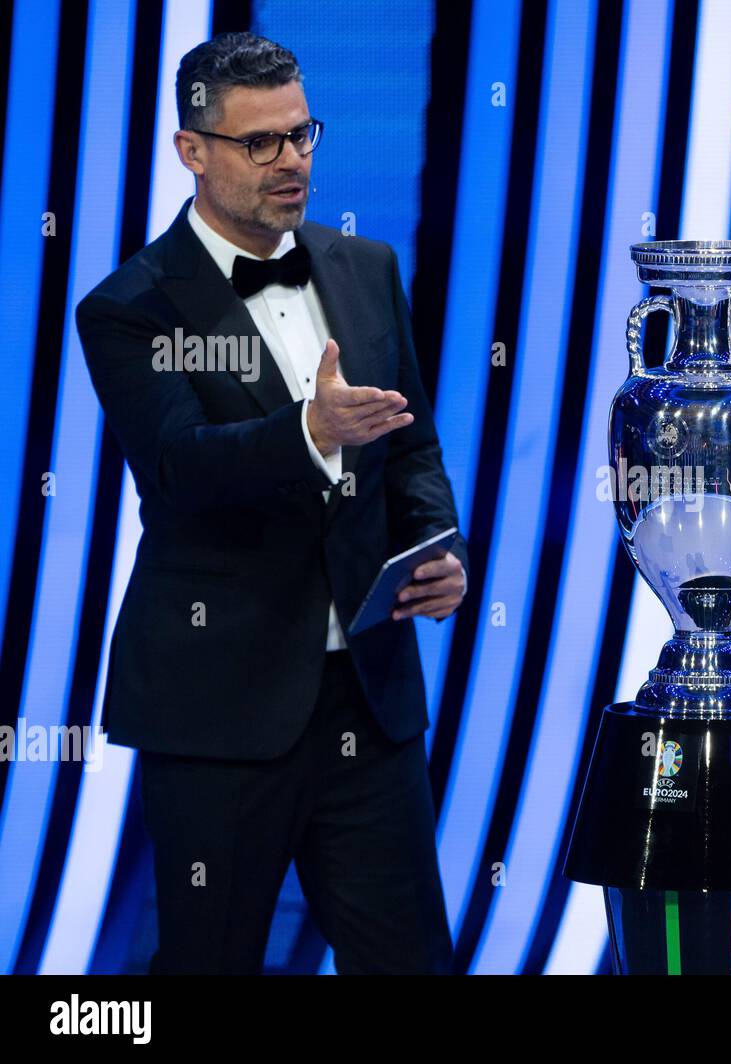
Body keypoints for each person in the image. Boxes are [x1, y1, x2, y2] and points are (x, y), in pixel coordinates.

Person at [76, 31, 468, 974]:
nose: (290, 161)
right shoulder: (132, 305)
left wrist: (433, 549)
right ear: (192, 151)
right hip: (220, 712)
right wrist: (311, 431)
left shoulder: (364, 266)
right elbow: (180, 464)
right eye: (260, 143)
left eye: (301, 135)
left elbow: (409, 443)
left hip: (369, 708)